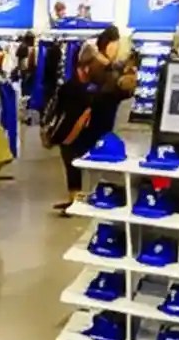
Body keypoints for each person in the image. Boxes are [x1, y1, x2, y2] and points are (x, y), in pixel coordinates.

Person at [49, 26, 129, 212]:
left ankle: (84, 197)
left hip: (97, 120)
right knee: (74, 156)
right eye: (114, 44)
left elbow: (117, 91)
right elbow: (96, 88)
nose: (116, 49)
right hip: (88, 118)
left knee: (80, 157)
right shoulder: (99, 64)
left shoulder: (111, 67)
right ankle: (76, 198)